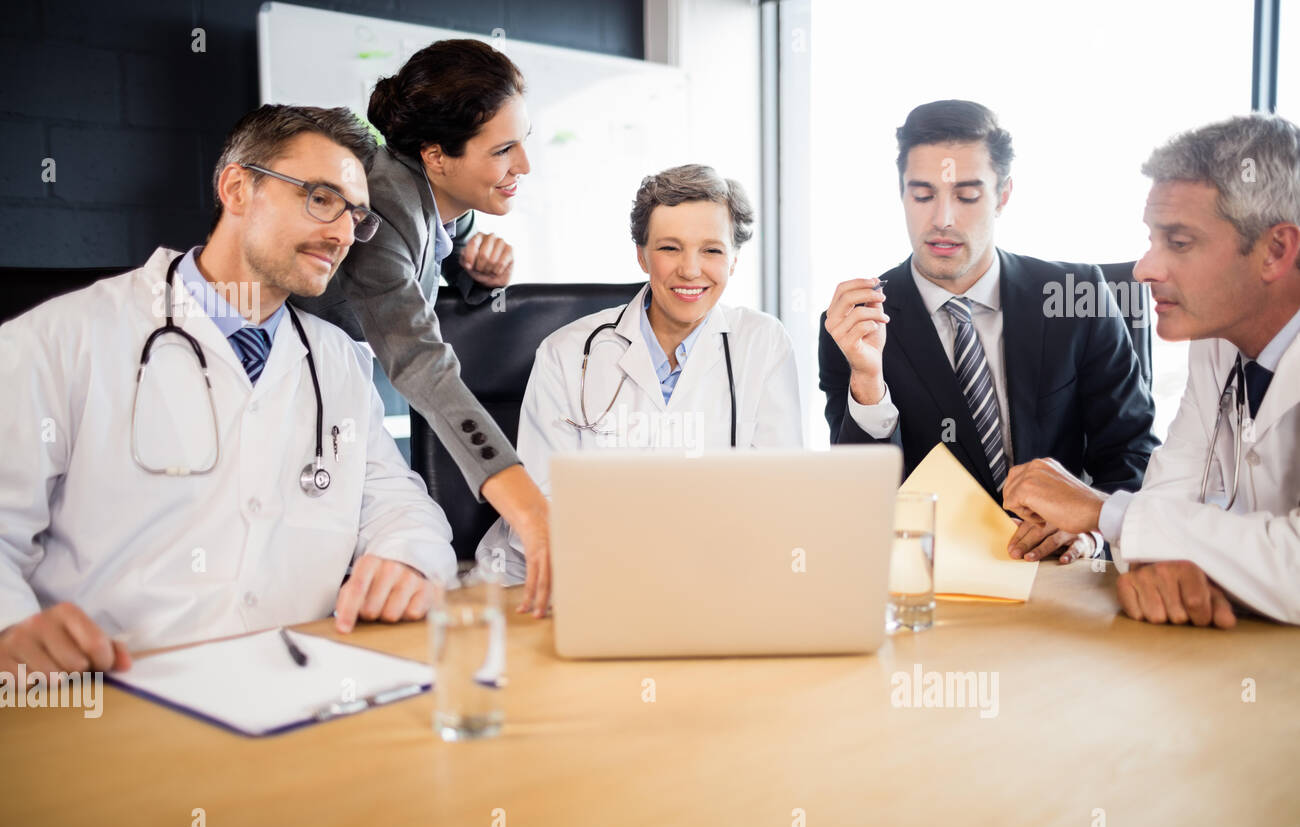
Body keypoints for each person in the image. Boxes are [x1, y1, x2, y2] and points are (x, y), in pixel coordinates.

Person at [0, 105, 459, 678]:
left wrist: (407, 559)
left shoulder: (337, 358)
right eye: (321, 199)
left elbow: (399, 502)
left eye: (357, 216)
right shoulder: (60, 339)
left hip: (300, 685)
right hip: (117, 696)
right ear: (238, 188)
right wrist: (11, 626)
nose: (343, 233)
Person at [819, 100, 1157, 565]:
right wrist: (869, 383)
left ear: (1003, 195)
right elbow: (862, 501)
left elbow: (1132, 454)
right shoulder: (856, 321)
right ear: (901, 195)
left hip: (1061, 576)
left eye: (966, 195)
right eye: (923, 195)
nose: (943, 219)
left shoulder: (1078, 298)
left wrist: (1091, 532)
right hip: (937, 580)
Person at [1003, 113, 1300, 628]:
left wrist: (1102, 513)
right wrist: (1161, 565)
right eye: (1152, 239)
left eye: (1179, 243)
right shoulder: (1215, 345)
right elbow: (1171, 496)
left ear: (1275, 250)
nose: (1144, 269)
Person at [297, 39, 551, 616]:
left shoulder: (442, 198)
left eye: (524, 142)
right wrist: (528, 508)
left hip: (341, 387)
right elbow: (418, 361)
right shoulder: (380, 212)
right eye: (503, 150)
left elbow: (437, 254)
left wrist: (472, 272)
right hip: (300, 391)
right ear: (437, 156)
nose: (524, 167)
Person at [477, 164, 803, 582]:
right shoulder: (566, 352)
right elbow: (541, 510)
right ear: (641, 254)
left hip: (710, 583)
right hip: (553, 583)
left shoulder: (763, 343)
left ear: (734, 259)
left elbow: (779, 497)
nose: (690, 270)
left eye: (712, 250)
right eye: (670, 248)